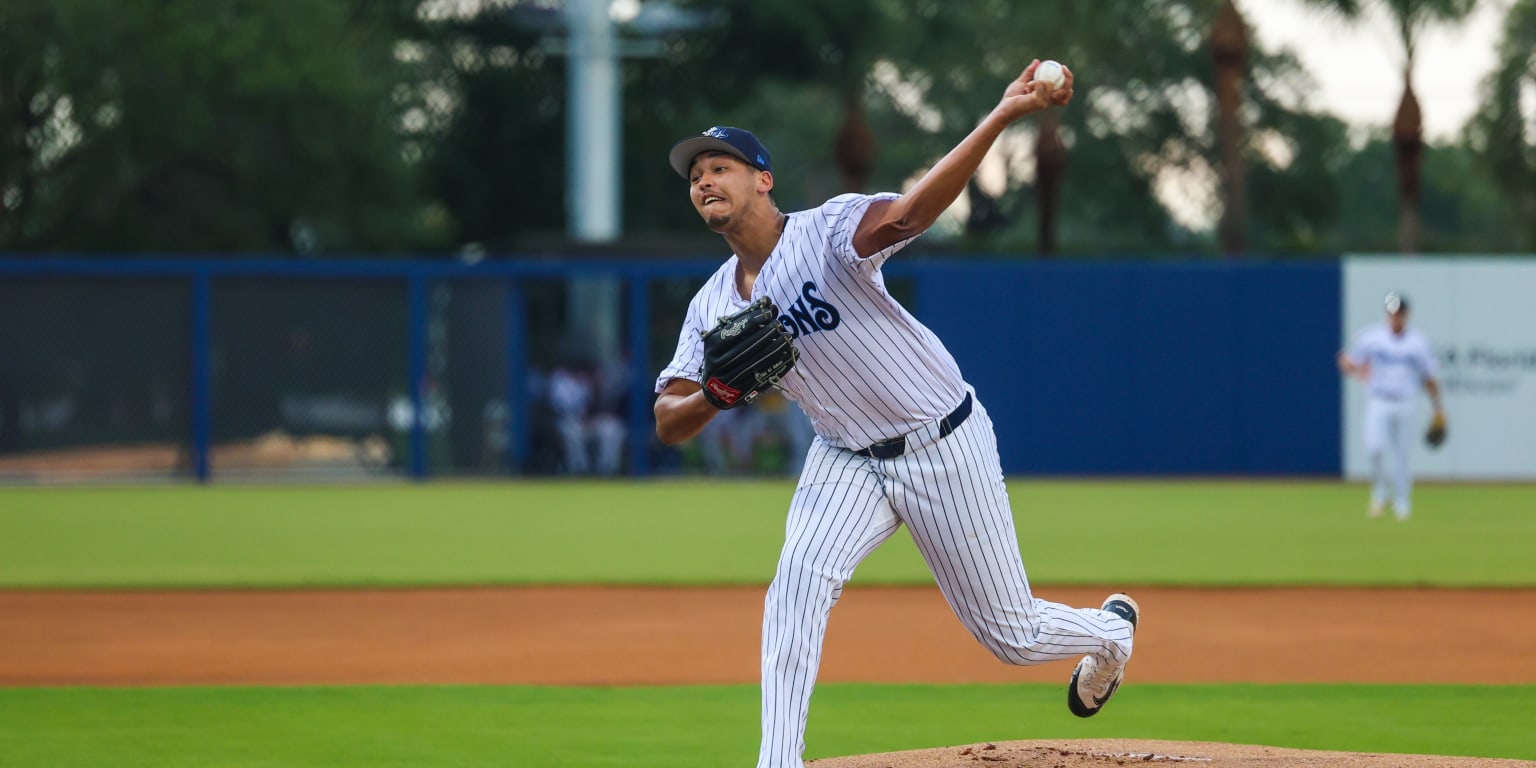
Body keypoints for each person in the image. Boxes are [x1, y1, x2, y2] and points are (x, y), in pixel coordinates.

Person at [652, 60, 1138, 768]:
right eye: (694, 174)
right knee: (795, 586)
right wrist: (714, 397)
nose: (703, 180)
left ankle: (1109, 636)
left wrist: (1001, 116)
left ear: (763, 179)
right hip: (843, 456)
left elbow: (911, 213)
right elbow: (669, 418)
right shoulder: (712, 304)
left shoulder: (827, 232)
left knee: (1011, 634)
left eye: (719, 166)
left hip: (941, 441)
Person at [1337, 291, 1446, 520]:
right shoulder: (1372, 338)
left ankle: (1402, 503)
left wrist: (1438, 408)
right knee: (1374, 448)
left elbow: (1430, 378)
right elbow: (1350, 362)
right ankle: (1379, 495)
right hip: (1379, 401)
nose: (1395, 317)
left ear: (1407, 315)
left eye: (1399, 313)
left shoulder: (1418, 342)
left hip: (1406, 402)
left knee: (1402, 455)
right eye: (1392, 313)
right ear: (1387, 314)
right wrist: (1348, 365)